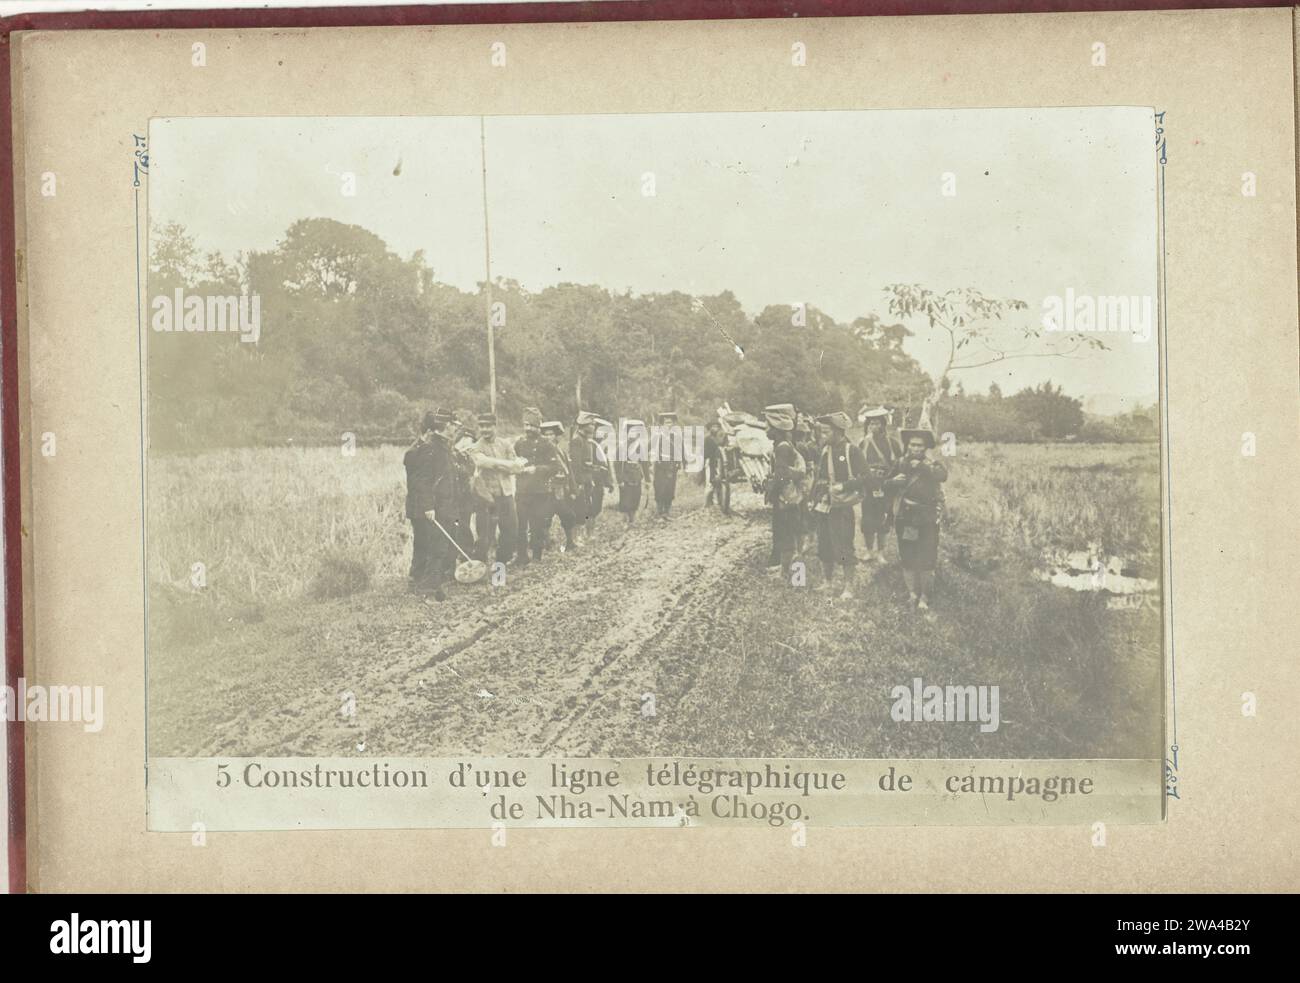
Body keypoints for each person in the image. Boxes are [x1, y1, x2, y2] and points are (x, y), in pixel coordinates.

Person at [885, 428, 948, 612]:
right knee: (908, 557)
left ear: (926, 447)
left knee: (927, 558)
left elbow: (942, 476)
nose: (916, 448)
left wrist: (921, 467)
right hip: (906, 517)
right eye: (912, 444)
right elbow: (885, 485)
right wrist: (894, 481)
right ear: (908, 445)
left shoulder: (933, 464)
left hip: (927, 518)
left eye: (920, 445)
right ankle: (913, 593)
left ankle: (925, 597)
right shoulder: (899, 463)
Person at [810, 411, 867, 599]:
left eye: (826, 432)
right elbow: (819, 477)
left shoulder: (852, 451)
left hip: (842, 506)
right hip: (823, 504)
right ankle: (827, 583)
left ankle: (848, 586)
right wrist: (814, 497)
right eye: (822, 432)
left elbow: (867, 478)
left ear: (838, 432)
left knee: (843, 545)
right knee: (824, 545)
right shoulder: (824, 450)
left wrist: (844, 485)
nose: (822, 436)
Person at [402, 409, 446, 599]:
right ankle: (420, 582)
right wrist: (428, 506)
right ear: (428, 432)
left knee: (425, 542)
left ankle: (419, 581)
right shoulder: (416, 452)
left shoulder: (422, 450)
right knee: (425, 542)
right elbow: (419, 483)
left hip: (422, 505)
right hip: (419, 506)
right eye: (435, 433)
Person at [469, 411, 522, 565]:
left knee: (511, 531)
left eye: (488, 426)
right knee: (485, 535)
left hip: (506, 495)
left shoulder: (505, 444)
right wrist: (507, 464)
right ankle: (481, 568)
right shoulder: (475, 447)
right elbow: (481, 462)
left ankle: (500, 564)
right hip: (487, 498)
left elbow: (516, 469)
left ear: (495, 426)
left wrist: (497, 464)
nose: (484, 429)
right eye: (481, 426)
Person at [512, 407, 561, 566]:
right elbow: (513, 461)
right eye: (526, 425)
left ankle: (537, 556)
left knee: (537, 524)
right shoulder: (519, 443)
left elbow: (554, 467)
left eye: (532, 426)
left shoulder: (547, 444)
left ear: (539, 426)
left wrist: (537, 469)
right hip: (522, 491)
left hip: (540, 492)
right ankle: (521, 556)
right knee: (520, 524)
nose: (528, 429)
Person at [762, 403, 805, 582]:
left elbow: (781, 475)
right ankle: (790, 574)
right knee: (791, 533)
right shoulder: (786, 444)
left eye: (768, 425)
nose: (765, 429)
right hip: (791, 495)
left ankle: (794, 577)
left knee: (786, 534)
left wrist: (773, 490)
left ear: (776, 428)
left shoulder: (781, 448)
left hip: (784, 497)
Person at [858, 406, 902, 563]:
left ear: (884, 424)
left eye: (877, 423)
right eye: (871, 424)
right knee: (868, 519)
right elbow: (857, 464)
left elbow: (900, 464)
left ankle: (880, 552)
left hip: (888, 485)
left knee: (884, 519)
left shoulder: (893, 443)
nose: (874, 427)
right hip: (869, 486)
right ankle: (869, 551)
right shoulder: (863, 442)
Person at [542, 421, 580, 552]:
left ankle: (570, 542)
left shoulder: (561, 451)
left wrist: (573, 489)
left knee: (568, 516)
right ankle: (547, 544)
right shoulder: (542, 452)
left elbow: (569, 471)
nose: (548, 437)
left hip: (562, 490)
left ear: (556, 436)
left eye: (551, 434)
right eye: (545, 435)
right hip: (547, 491)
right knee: (545, 518)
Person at [569, 411, 602, 545]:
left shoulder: (586, 440)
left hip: (588, 479)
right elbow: (576, 465)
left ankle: (586, 534)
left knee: (587, 507)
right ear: (584, 425)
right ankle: (576, 537)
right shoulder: (577, 441)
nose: (594, 426)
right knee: (579, 509)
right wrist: (579, 483)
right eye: (591, 424)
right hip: (581, 481)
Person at [617, 419, 652, 525]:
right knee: (625, 499)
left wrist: (647, 480)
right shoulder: (622, 446)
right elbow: (617, 465)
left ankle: (632, 520)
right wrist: (620, 479)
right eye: (631, 431)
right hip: (626, 475)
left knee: (635, 497)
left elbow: (645, 464)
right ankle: (624, 520)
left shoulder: (641, 447)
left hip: (636, 475)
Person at [651, 410, 682, 517]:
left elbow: (679, 450)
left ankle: (667, 510)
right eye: (666, 423)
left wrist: (678, 462)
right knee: (660, 487)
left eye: (670, 422)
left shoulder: (676, 436)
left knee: (670, 487)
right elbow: (652, 449)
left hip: (671, 466)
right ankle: (660, 510)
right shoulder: (657, 435)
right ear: (662, 424)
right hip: (660, 466)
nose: (668, 425)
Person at [702, 420, 732, 515]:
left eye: (716, 426)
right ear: (709, 428)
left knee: (719, 482)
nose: (715, 428)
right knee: (710, 484)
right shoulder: (707, 439)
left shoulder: (721, 437)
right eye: (713, 426)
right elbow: (704, 454)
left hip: (720, 462)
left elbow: (725, 448)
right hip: (710, 462)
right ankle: (707, 505)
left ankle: (718, 503)